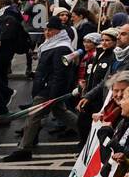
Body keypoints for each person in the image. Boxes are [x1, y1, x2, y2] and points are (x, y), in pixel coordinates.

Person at [5, 20, 80, 162]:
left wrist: (53, 95)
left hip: (48, 89)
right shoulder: (51, 45)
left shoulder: (61, 48)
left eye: (51, 30)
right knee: (61, 113)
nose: (47, 33)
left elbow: (60, 74)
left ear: (59, 32)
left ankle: (24, 148)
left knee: (33, 116)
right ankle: (88, 132)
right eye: (46, 30)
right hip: (45, 87)